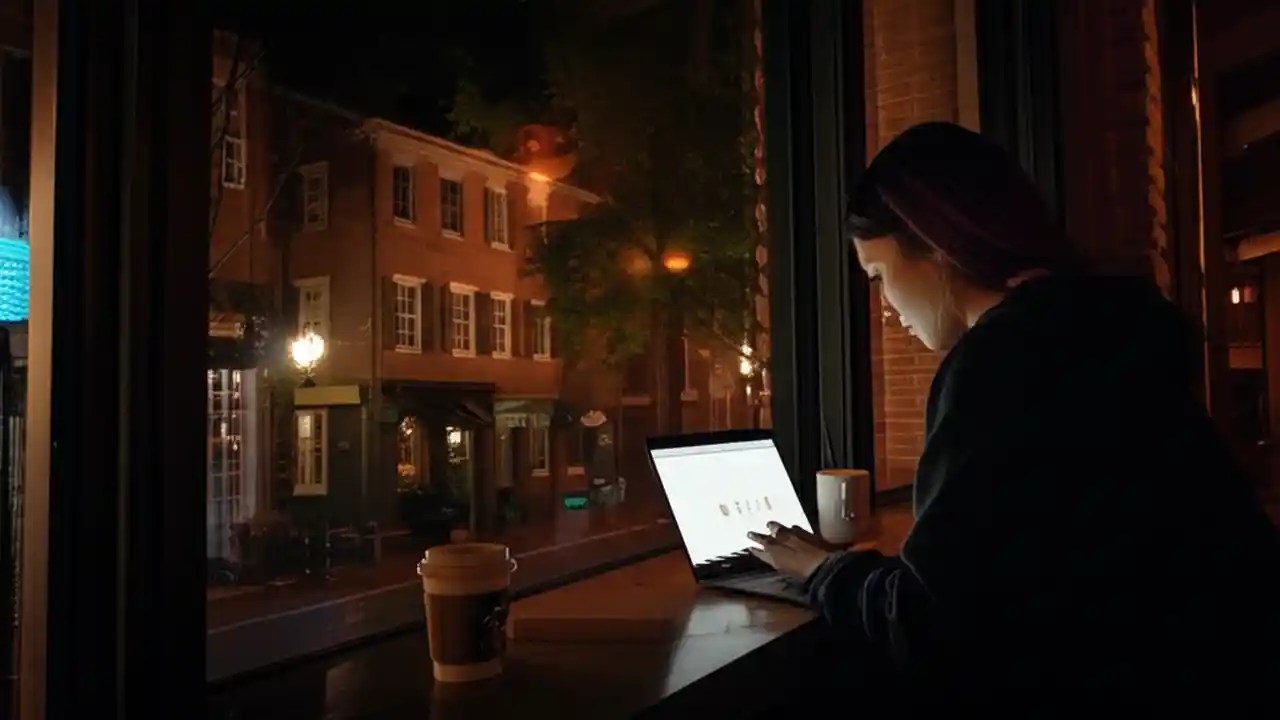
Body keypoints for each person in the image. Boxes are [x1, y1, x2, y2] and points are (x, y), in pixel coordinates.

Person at [747, 121, 1280, 700]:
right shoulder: (1110, 333)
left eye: (878, 276)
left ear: (935, 245)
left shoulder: (1003, 362)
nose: (883, 306)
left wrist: (824, 573)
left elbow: (935, 625)